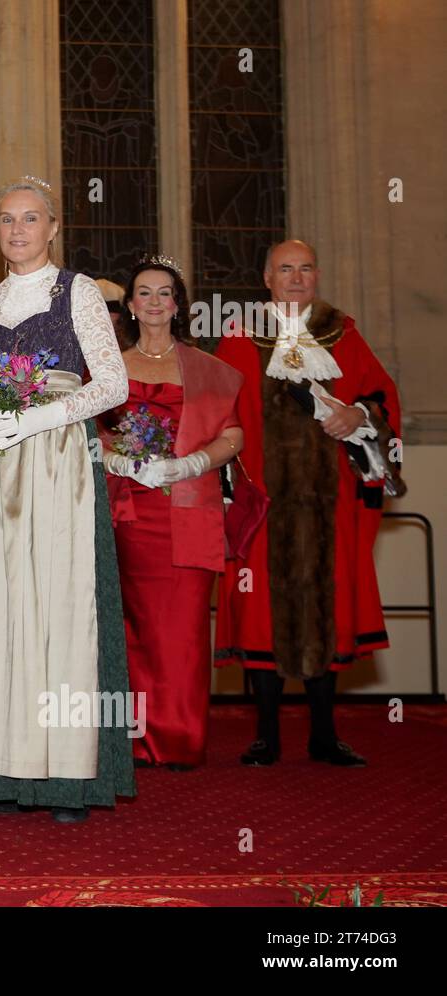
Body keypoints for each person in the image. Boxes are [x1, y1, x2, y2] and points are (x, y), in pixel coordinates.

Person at [0, 178, 135, 823]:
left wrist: (37, 419)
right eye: (6, 220)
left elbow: (114, 384)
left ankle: (66, 775)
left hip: (57, 464)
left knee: (59, 613)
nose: (18, 230)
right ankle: (2, 765)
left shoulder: (78, 292)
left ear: (53, 227)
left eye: (30, 219)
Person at [215, 239, 401, 767]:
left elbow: (382, 393)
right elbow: (218, 411)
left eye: (305, 269)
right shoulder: (240, 338)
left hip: (330, 501)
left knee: (329, 603)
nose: (296, 278)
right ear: (267, 279)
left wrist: (360, 415)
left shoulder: (344, 332)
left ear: (316, 276)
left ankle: (324, 734)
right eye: (285, 270)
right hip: (263, 502)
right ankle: (266, 735)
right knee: (260, 611)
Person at [100, 256, 243, 769]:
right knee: (136, 627)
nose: (155, 301)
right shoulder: (109, 369)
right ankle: (138, 739)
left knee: (182, 631)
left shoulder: (208, 370)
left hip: (188, 507)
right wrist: (119, 460)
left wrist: (195, 463)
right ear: (131, 306)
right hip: (130, 510)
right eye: (144, 293)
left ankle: (180, 736)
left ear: (177, 305)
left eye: (165, 293)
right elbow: (90, 435)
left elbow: (233, 433)